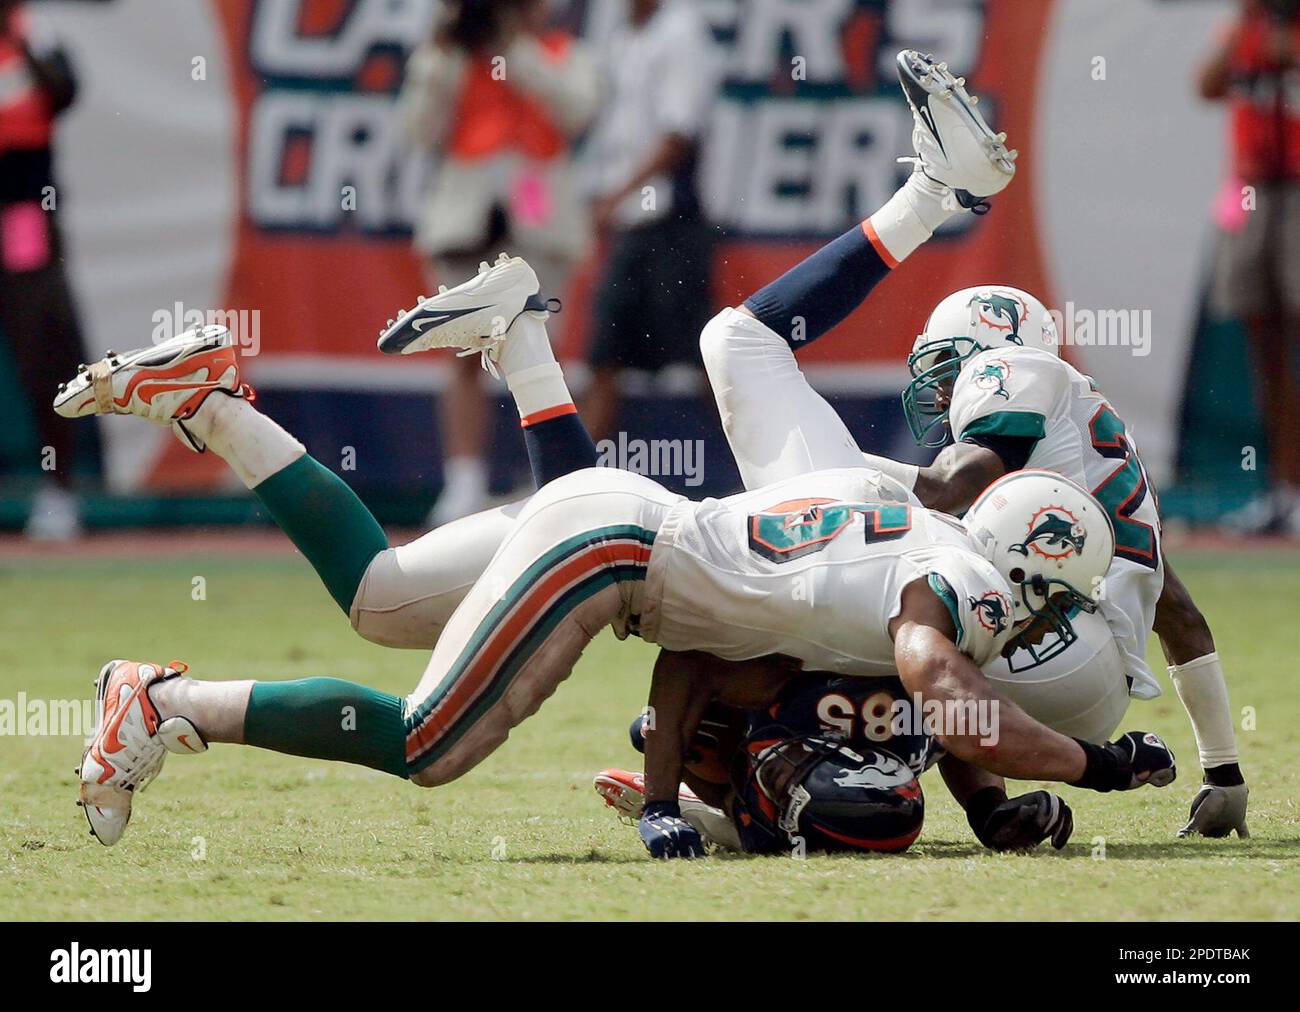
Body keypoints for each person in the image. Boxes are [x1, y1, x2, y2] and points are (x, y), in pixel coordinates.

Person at [55, 258, 1174, 852]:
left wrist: (660, 797)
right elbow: (947, 694)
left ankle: (230, 401)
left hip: (624, 532)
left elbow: (732, 661)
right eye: (1041, 606)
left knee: (385, 602)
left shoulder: (908, 539)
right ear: (1016, 572)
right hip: (610, 549)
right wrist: (1097, 766)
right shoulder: (955, 593)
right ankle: (162, 701)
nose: (1033, 629)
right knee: (428, 743)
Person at [691, 51, 1248, 838]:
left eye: (945, 367)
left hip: (1043, 645)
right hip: (1085, 676)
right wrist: (1223, 770)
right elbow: (1181, 617)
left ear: (986, 347)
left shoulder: (1015, 367)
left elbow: (951, 485)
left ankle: (935, 192)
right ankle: (974, 805)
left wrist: (845, 473)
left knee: (739, 343)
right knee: (890, 580)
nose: (941, 390)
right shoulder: (1092, 449)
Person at [396, 0, 598, 525]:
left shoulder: (561, 52)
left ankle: (544, 479)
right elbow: (418, 129)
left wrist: (515, 47)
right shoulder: (455, 56)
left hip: (536, 204)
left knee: (538, 348)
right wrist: (444, 49)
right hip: (467, 210)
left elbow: (576, 111)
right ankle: (464, 480)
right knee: (461, 352)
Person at [579, 0, 719, 439]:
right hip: (631, 226)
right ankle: (572, 480)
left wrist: (616, 195)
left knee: (707, 358)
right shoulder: (621, 37)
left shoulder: (680, 31)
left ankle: (774, 474)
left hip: (670, 223)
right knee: (604, 354)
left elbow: (678, 135)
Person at [1200, 0, 1300, 535]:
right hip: (1251, 188)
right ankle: (1283, 488)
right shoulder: (1250, 25)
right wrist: (1248, 24)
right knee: (1263, 336)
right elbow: (1206, 84)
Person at [0, 0, 91, 539]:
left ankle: (58, 492)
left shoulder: (37, 32)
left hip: (21, 219)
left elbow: (65, 92)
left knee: (41, 344)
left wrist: (19, 37)